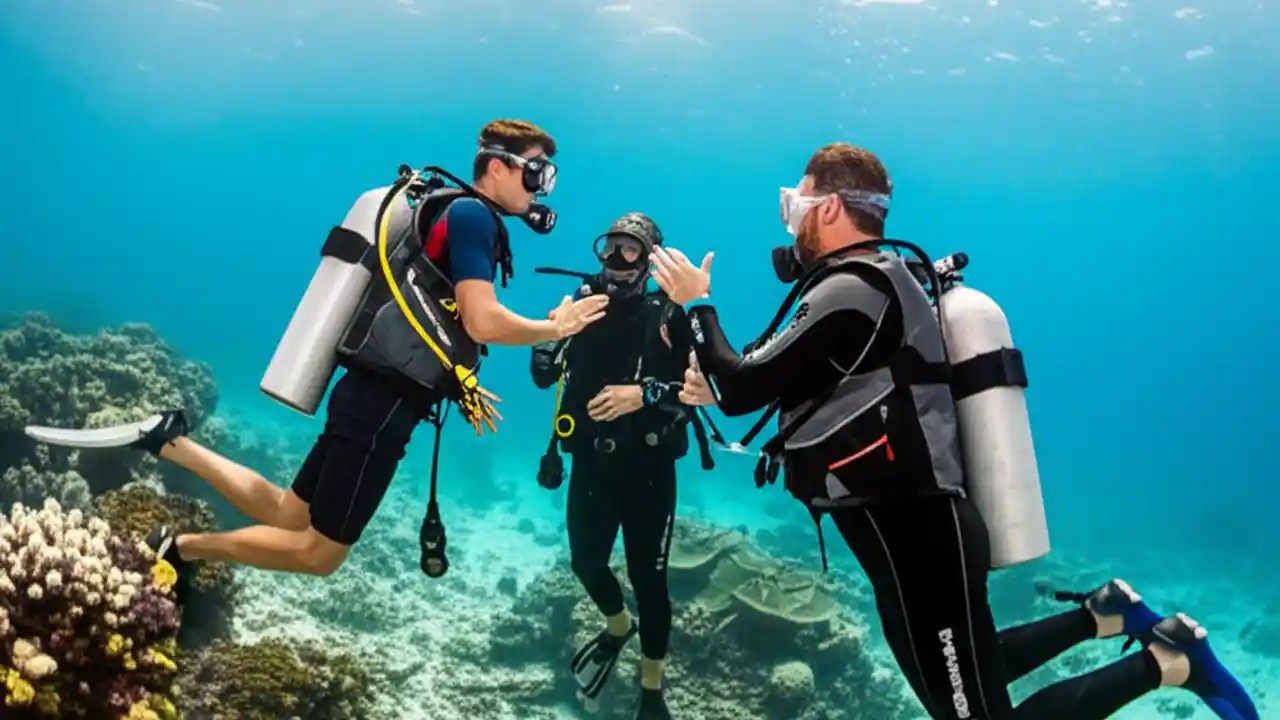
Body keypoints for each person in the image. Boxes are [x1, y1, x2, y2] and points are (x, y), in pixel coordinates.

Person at [648, 142, 1260, 720]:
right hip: (902, 538)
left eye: (795, 207)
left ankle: (1168, 661)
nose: (791, 225)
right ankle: (1106, 613)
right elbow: (764, 372)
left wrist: (698, 302)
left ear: (830, 207)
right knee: (966, 679)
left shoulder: (854, 287)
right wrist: (712, 377)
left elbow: (741, 390)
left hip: (918, 535)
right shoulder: (855, 287)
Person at [24, 119, 611, 597]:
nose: (541, 188)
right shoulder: (473, 216)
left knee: (288, 514)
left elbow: (437, 314)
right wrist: (552, 327)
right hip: (383, 401)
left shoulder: (447, 209)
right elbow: (481, 318)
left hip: (368, 389)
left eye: (548, 177)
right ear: (498, 165)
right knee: (320, 554)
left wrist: (459, 378)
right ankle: (181, 548)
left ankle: (169, 439)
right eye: (537, 172)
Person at [529, 212, 707, 720]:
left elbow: (705, 392)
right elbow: (545, 375)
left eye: (631, 250)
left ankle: (652, 688)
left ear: (651, 260)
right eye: (611, 246)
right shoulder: (583, 305)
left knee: (648, 580)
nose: (617, 260)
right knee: (585, 562)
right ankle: (616, 625)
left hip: (649, 468)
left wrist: (643, 394)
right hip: (590, 459)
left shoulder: (671, 314)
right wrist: (547, 340)